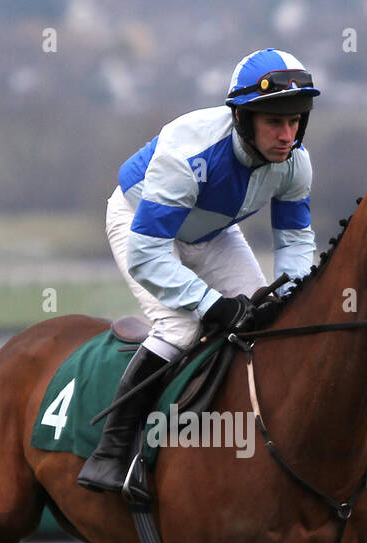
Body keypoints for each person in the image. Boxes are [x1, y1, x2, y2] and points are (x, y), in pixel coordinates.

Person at [77, 48, 319, 497]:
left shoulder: (295, 163)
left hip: (211, 233)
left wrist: (291, 298)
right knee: (182, 326)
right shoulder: (189, 150)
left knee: (267, 323)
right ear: (242, 118)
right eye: (274, 122)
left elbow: (295, 243)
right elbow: (148, 254)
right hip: (142, 226)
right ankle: (111, 452)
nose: (287, 136)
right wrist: (210, 304)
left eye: (295, 121)